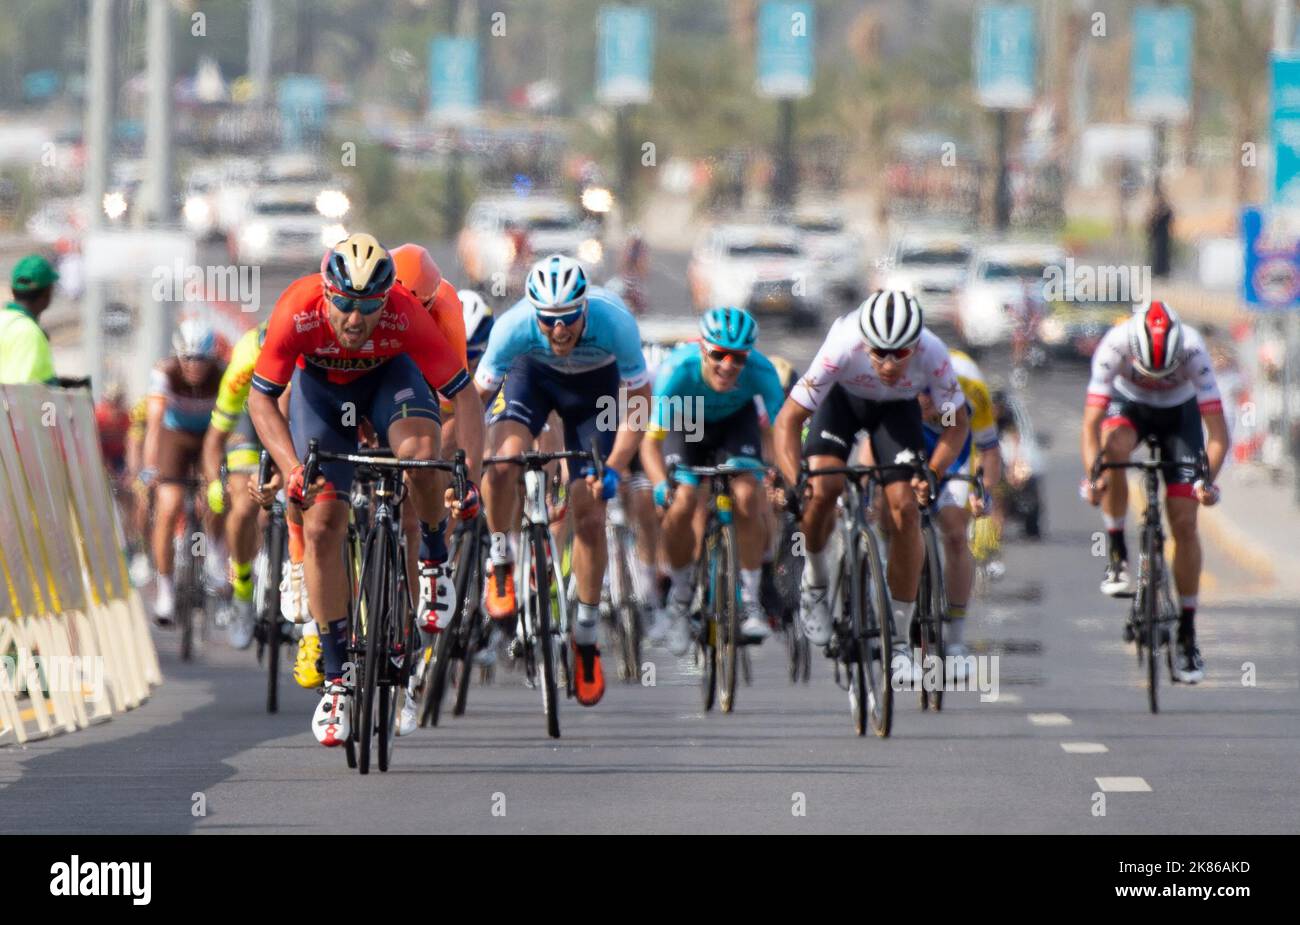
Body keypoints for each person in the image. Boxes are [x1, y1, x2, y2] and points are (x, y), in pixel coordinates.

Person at [248, 233, 483, 747]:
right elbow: (262, 399)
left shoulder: (404, 313)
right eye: (346, 307)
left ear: (388, 299)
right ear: (327, 294)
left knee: (421, 459)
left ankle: (434, 560)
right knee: (322, 523)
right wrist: (291, 467)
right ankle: (337, 679)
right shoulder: (297, 308)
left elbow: (462, 395)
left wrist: (468, 473)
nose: (355, 321)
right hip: (321, 398)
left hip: (388, 384)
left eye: (369, 308)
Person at [475, 254, 650, 708]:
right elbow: (472, 400)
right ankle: (500, 561)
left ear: (584, 308)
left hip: (595, 395)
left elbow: (638, 405)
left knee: (589, 514)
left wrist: (613, 466)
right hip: (532, 381)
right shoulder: (512, 328)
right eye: (549, 321)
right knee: (502, 464)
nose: (559, 330)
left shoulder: (617, 323)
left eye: (569, 319)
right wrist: (459, 459)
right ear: (534, 312)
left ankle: (586, 638)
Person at [774, 290, 969, 683]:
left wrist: (932, 470)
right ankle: (815, 581)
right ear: (865, 342)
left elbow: (957, 425)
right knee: (823, 487)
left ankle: (898, 642)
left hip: (896, 413)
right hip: (842, 403)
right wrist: (795, 479)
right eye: (879, 352)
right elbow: (788, 421)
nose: (888, 362)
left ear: (916, 345)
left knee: (905, 510)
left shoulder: (934, 352)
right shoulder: (843, 345)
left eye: (900, 353)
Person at [1080, 300, 1229, 683]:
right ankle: (1116, 550)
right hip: (1129, 407)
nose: (1157, 376)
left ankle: (1188, 634)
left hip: (1181, 418)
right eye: (1150, 370)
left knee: (1184, 521)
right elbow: (1091, 425)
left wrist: (1205, 482)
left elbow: (1218, 436)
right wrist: (1094, 476)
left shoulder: (1194, 350)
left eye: (1166, 371)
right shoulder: (1115, 343)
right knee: (1112, 451)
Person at [642, 308, 784, 654]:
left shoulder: (762, 371)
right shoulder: (678, 369)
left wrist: (779, 474)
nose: (728, 365)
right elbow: (650, 443)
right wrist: (661, 484)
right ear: (703, 349)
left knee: (749, 496)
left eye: (738, 358)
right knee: (684, 500)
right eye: (719, 355)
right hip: (687, 422)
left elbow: (782, 432)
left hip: (736, 424)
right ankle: (680, 595)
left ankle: (750, 600)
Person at [390, 244, 484, 636]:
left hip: (428, 385)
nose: (413, 316)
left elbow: (457, 403)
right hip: (383, 372)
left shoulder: (445, 309)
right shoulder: (372, 305)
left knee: (423, 472)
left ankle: (427, 578)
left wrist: (466, 477)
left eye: (421, 307)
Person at [140, 318, 227, 626]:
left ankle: (215, 550)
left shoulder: (222, 374)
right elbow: (154, 423)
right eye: (187, 358)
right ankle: (165, 589)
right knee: (169, 506)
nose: (193, 365)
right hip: (174, 437)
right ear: (178, 356)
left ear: (211, 357)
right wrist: (150, 468)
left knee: (217, 496)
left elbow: (235, 422)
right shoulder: (165, 372)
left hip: (208, 437)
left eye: (200, 358)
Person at [0, 254, 59, 385]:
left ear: (12, 290)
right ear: (47, 292)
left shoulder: (3, 320)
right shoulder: (29, 333)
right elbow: (22, 396)